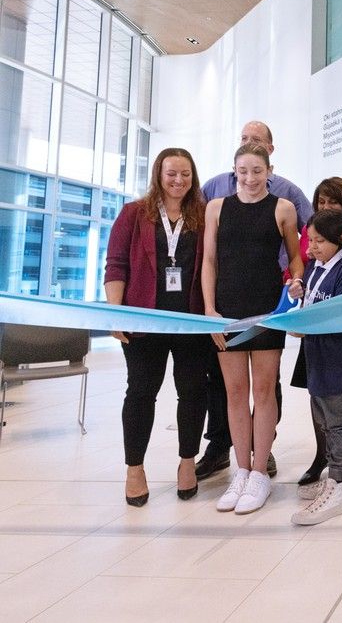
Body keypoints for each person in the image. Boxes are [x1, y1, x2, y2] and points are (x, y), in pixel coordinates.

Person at [196, 120, 313, 480]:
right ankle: (241, 471)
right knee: (234, 393)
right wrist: (210, 311)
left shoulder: (284, 208)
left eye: (257, 171)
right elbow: (209, 262)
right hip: (227, 313)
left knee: (264, 392)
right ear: (234, 171)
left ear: (270, 171)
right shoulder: (215, 206)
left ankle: (260, 470)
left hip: (267, 312)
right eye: (243, 171)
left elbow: (298, 255)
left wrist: (295, 283)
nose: (250, 178)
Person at [104, 147, 213, 507]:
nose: (178, 180)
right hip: (143, 321)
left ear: (192, 176)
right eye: (171, 174)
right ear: (158, 175)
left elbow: (213, 263)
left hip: (191, 322)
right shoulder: (134, 213)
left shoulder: (204, 213)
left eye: (185, 174)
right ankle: (135, 468)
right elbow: (116, 263)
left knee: (193, 392)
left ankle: (186, 462)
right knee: (140, 392)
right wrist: (116, 312)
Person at [287, 210, 342, 525]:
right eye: (310, 240)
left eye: (320, 241)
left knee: (339, 424)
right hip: (318, 359)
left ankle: (338, 481)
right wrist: (298, 290)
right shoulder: (316, 266)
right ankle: (337, 477)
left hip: (340, 360)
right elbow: (309, 299)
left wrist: (304, 326)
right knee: (324, 420)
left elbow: (341, 316)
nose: (311, 247)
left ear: (341, 240)